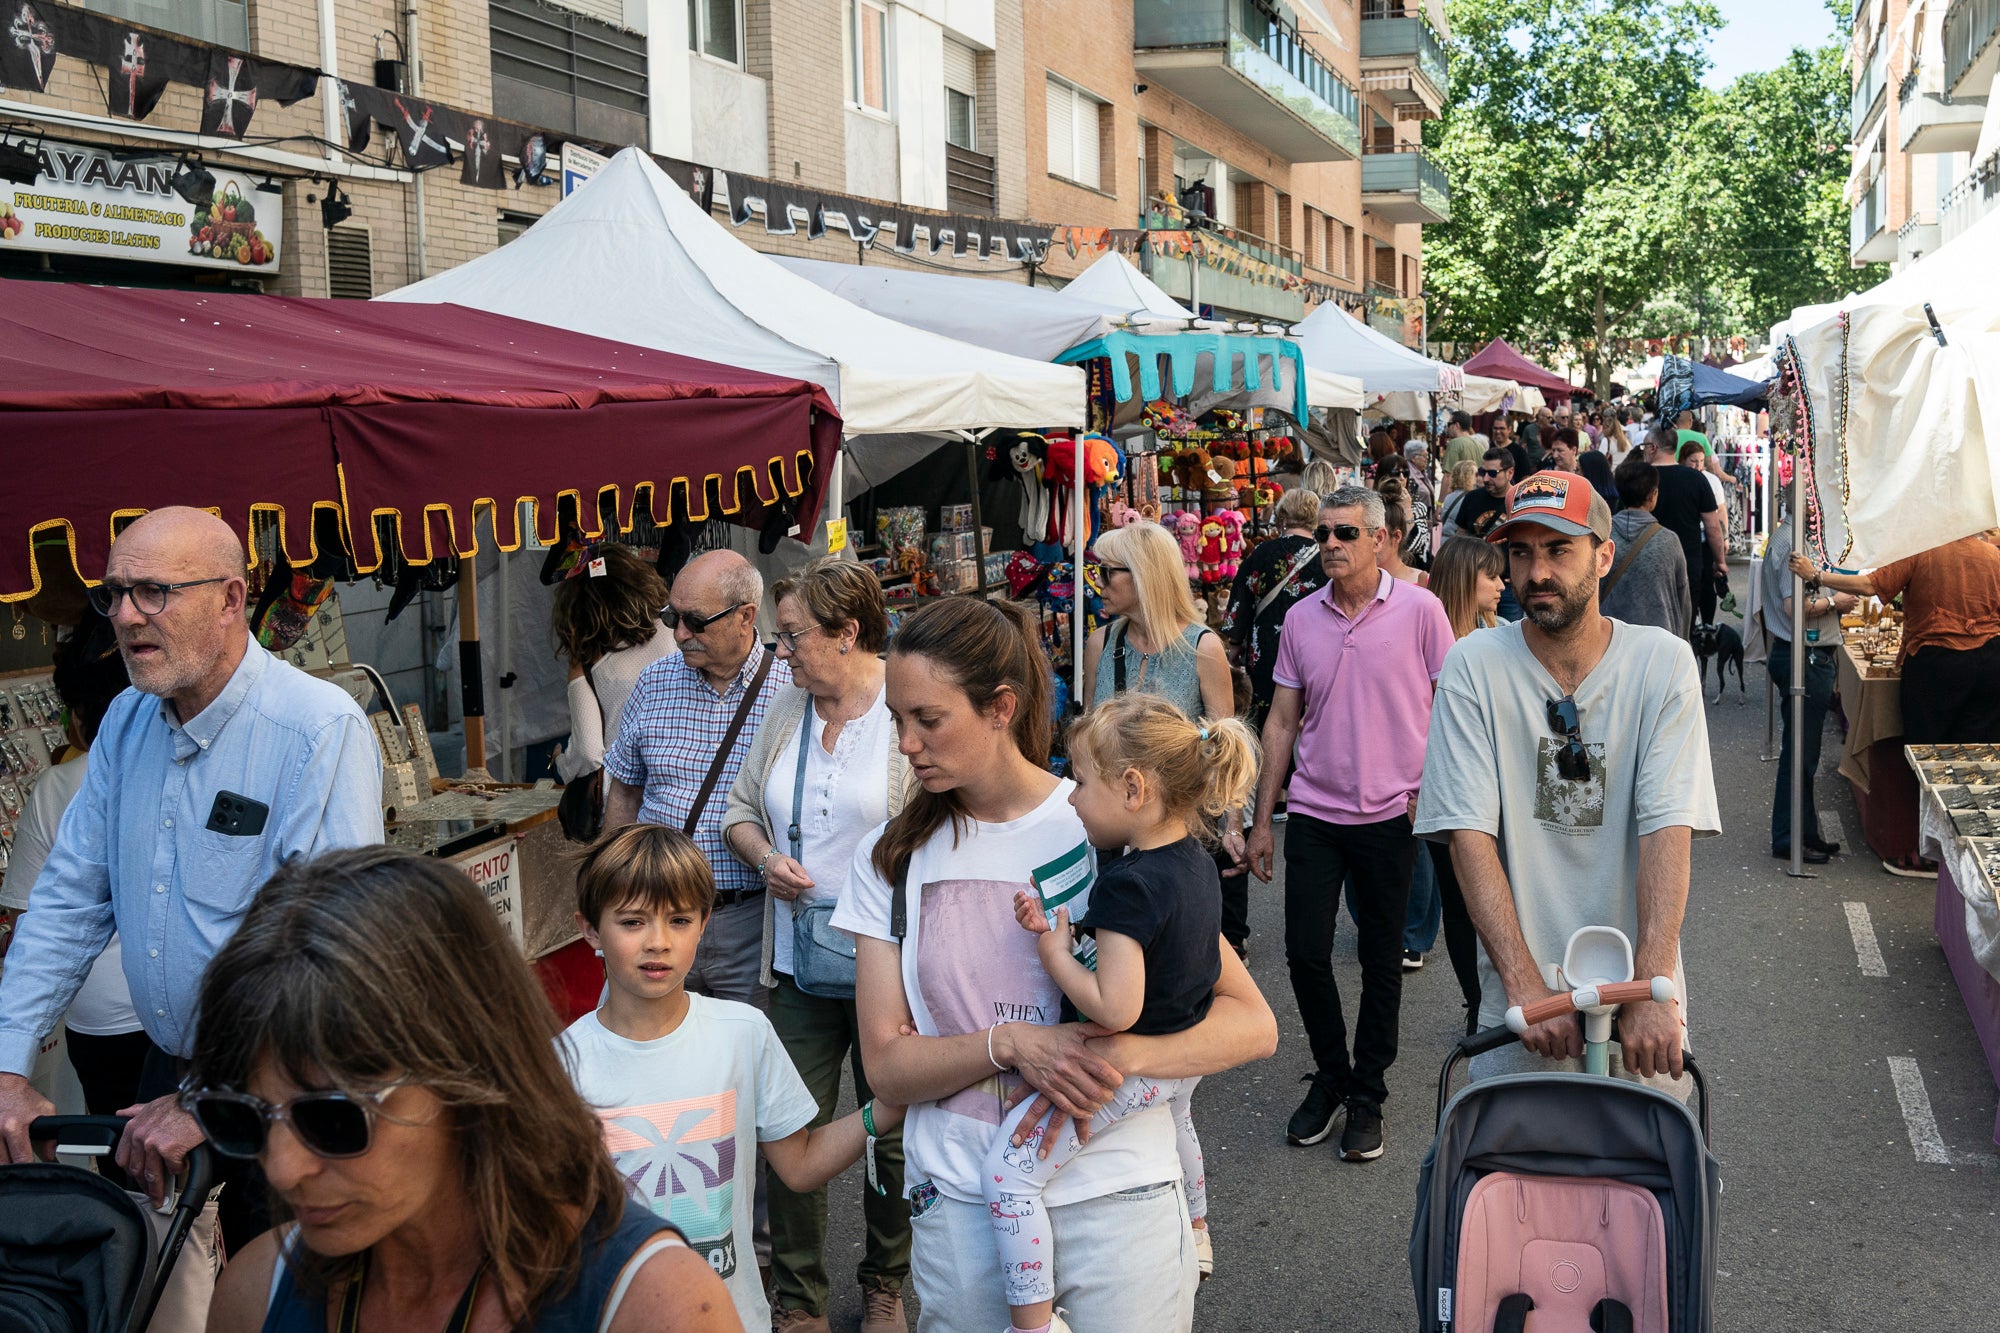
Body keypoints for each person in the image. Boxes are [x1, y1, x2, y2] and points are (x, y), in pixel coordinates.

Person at [832, 597, 1279, 1333]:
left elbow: (1250, 1022)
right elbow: (886, 1067)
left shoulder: (1109, 823)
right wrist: (1009, 1045)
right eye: (896, 720)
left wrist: (1119, 1051)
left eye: (928, 718)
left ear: (1001, 706)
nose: (906, 742)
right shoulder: (889, 858)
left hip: (1120, 1196)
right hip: (965, 1206)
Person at [0, 507, 382, 1254]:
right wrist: (7, 1063)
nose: (127, 616)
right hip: (171, 1063)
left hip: (281, 1081)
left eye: (155, 592)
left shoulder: (316, 728)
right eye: (114, 593)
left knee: (273, 1288)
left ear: (232, 599)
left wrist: (212, 1099)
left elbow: (328, 956)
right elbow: (69, 900)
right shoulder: (125, 723)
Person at [190, 846, 736, 1333]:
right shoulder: (257, 1290)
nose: (283, 1170)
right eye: (243, 1118)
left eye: (333, 1120)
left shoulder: (654, 1304)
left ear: (472, 1076)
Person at [1414, 472, 1719, 1092]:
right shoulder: (1474, 666)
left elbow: (1668, 828)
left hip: (1641, 1004)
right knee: (1509, 1181)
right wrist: (1523, 984)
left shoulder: (1661, 664)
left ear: (1604, 555)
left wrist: (1653, 988)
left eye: (1558, 549)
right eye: (1520, 552)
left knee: (1649, 1174)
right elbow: (1470, 837)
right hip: (1524, 1008)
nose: (1536, 573)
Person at [561, 824, 900, 1332]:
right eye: (632, 922)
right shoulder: (560, 1064)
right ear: (590, 930)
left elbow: (800, 1165)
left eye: (678, 920)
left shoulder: (742, 1032)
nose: (658, 942)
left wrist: (888, 1108)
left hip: (733, 1319)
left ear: (704, 923)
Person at [990, 694, 1257, 1333]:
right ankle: (1196, 1228)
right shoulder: (1192, 862)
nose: (1073, 797)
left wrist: (1054, 952)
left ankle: (1032, 1324)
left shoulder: (1126, 882)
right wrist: (1074, 925)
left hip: (1131, 1072)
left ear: (1133, 787)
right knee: (1184, 1123)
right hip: (1181, 1060)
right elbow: (1145, 941)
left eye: (1082, 780)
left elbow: (1115, 1005)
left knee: (1009, 1173)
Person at [721, 557, 912, 1333]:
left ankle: (885, 1282)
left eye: (794, 635)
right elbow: (739, 809)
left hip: (889, 967)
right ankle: (798, 1300)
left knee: (888, 1128)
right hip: (797, 962)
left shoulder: (907, 704)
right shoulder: (787, 707)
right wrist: (766, 859)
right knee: (790, 1133)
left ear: (849, 632)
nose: (781, 650)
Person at [1245, 486, 1454, 1161]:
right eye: (1324, 534)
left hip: (1393, 814)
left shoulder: (1422, 611)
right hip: (1314, 810)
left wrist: (1434, 791)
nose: (1330, 544)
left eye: (1345, 533)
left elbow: (1451, 706)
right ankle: (1332, 1075)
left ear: (1380, 539)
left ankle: (1368, 1092)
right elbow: (1280, 720)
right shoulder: (1302, 619)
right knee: (1304, 951)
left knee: (1380, 957)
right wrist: (1260, 819)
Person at [605, 548, 787, 1005]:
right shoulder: (653, 682)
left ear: (746, 617)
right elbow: (625, 792)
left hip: (748, 921)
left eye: (696, 620)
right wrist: (611, 890)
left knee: (740, 1067)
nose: (681, 633)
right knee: (649, 1058)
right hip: (656, 915)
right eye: (672, 618)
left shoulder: (790, 691)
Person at [0, 612, 144, 1131]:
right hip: (174, 1019)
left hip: (102, 1016)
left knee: (127, 1161)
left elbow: (23, 918)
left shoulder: (58, 786)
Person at [1082, 521, 1247, 960]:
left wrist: (1234, 824)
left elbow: (1226, 747)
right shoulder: (1101, 643)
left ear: (1143, 576)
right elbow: (1086, 739)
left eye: (1106, 571)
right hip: (1111, 834)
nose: (1096, 580)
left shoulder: (1202, 648)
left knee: (1175, 957)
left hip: (1179, 836)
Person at [1791, 533, 2000, 874]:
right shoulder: (1991, 555)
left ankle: (1928, 853)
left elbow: (1870, 585)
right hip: (1989, 663)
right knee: (1976, 759)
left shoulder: (1923, 550)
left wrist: (1816, 575)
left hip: (1937, 663)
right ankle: (1975, 853)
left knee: (1927, 758)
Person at [1402, 537, 1504, 1031]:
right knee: (1461, 906)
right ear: (1468, 580)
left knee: (1501, 898)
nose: (1504, 584)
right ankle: (1475, 1004)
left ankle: (1503, 996)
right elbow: (1409, 722)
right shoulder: (1424, 639)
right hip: (1443, 789)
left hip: (1500, 791)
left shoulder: (1506, 634)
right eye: (1493, 576)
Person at [1761, 506, 1856, 867]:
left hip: (1805, 653)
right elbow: (1793, 607)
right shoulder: (1791, 543)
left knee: (1803, 754)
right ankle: (1789, 836)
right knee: (1799, 754)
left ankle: (1804, 831)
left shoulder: (1795, 539)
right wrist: (1836, 601)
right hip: (1802, 654)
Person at [550, 544, 677, 794]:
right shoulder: (677, 633)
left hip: (625, 799)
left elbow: (588, 753)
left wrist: (560, 765)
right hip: (683, 788)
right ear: (640, 581)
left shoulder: (585, 664)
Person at [1223, 488, 1328, 734]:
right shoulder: (1323, 555)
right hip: (1312, 643)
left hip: (1267, 646)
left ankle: (1272, 762)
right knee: (1311, 709)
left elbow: (1242, 598)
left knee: (1269, 709)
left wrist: (1236, 644)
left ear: (1282, 517)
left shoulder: (1261, 553)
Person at [1601, 455, 1693, 638]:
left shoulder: (1602, 538)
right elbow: (1683, 597)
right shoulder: (1668, 540)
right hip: (1659, 640)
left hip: (1609, 640)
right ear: (1652, 494)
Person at [1644, 428, 1726, 629]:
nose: (1644, 451)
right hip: (1688, 560)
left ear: (1653, 448)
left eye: (1645, 447)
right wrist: (1720, 561)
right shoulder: (1697, 479)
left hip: (1648, 559)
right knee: (1684, 624)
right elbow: (1712, 527)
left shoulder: (1642, 476)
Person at [1437, 460, 1479, 538]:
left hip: (1445, 540)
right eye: (1476, 474)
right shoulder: (1469, 498)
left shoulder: (1450, 496)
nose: (1478, 477)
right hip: (1457, 542)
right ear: (1467, 476)